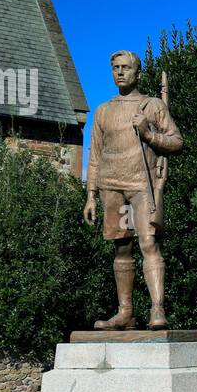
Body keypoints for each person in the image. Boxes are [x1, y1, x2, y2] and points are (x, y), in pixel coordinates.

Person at [83, 51, 183, 329]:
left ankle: (157, 310)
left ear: (138, 73)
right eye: (115, 67)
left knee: (148, 243)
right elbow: (95, 155)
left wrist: (149, 134)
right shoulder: (103, 110)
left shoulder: (152, 106)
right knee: (122, 248)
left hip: (142, 186)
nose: (120, 72)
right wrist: (91, 195)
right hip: (111, 186)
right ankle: (125, 312)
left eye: (126, 68)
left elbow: (177, 142)